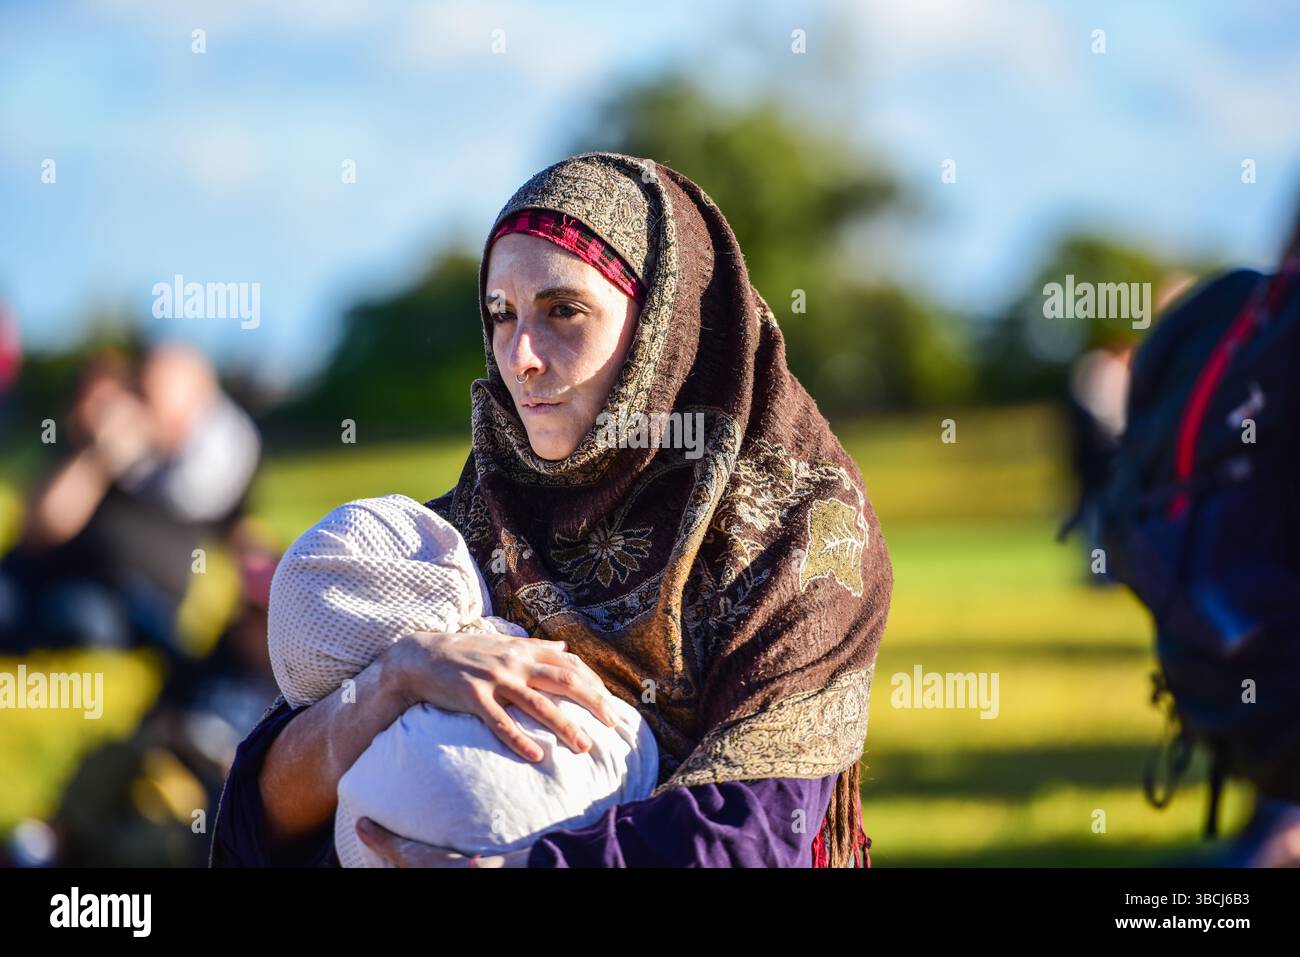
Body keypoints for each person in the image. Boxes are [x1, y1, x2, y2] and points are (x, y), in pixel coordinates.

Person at [210, 150, 893, 868]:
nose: (521, 356)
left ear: (668, 325)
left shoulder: (803, 537)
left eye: (563, 310)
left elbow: (752, 832)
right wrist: (397, 677)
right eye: (501, 315)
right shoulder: (470, 532)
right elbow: (258, 822)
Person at [264, 493, 658, 867]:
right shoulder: (422, 542)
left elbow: (719, 812)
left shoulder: (715, 537)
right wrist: (396, 675)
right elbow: (263, 815)